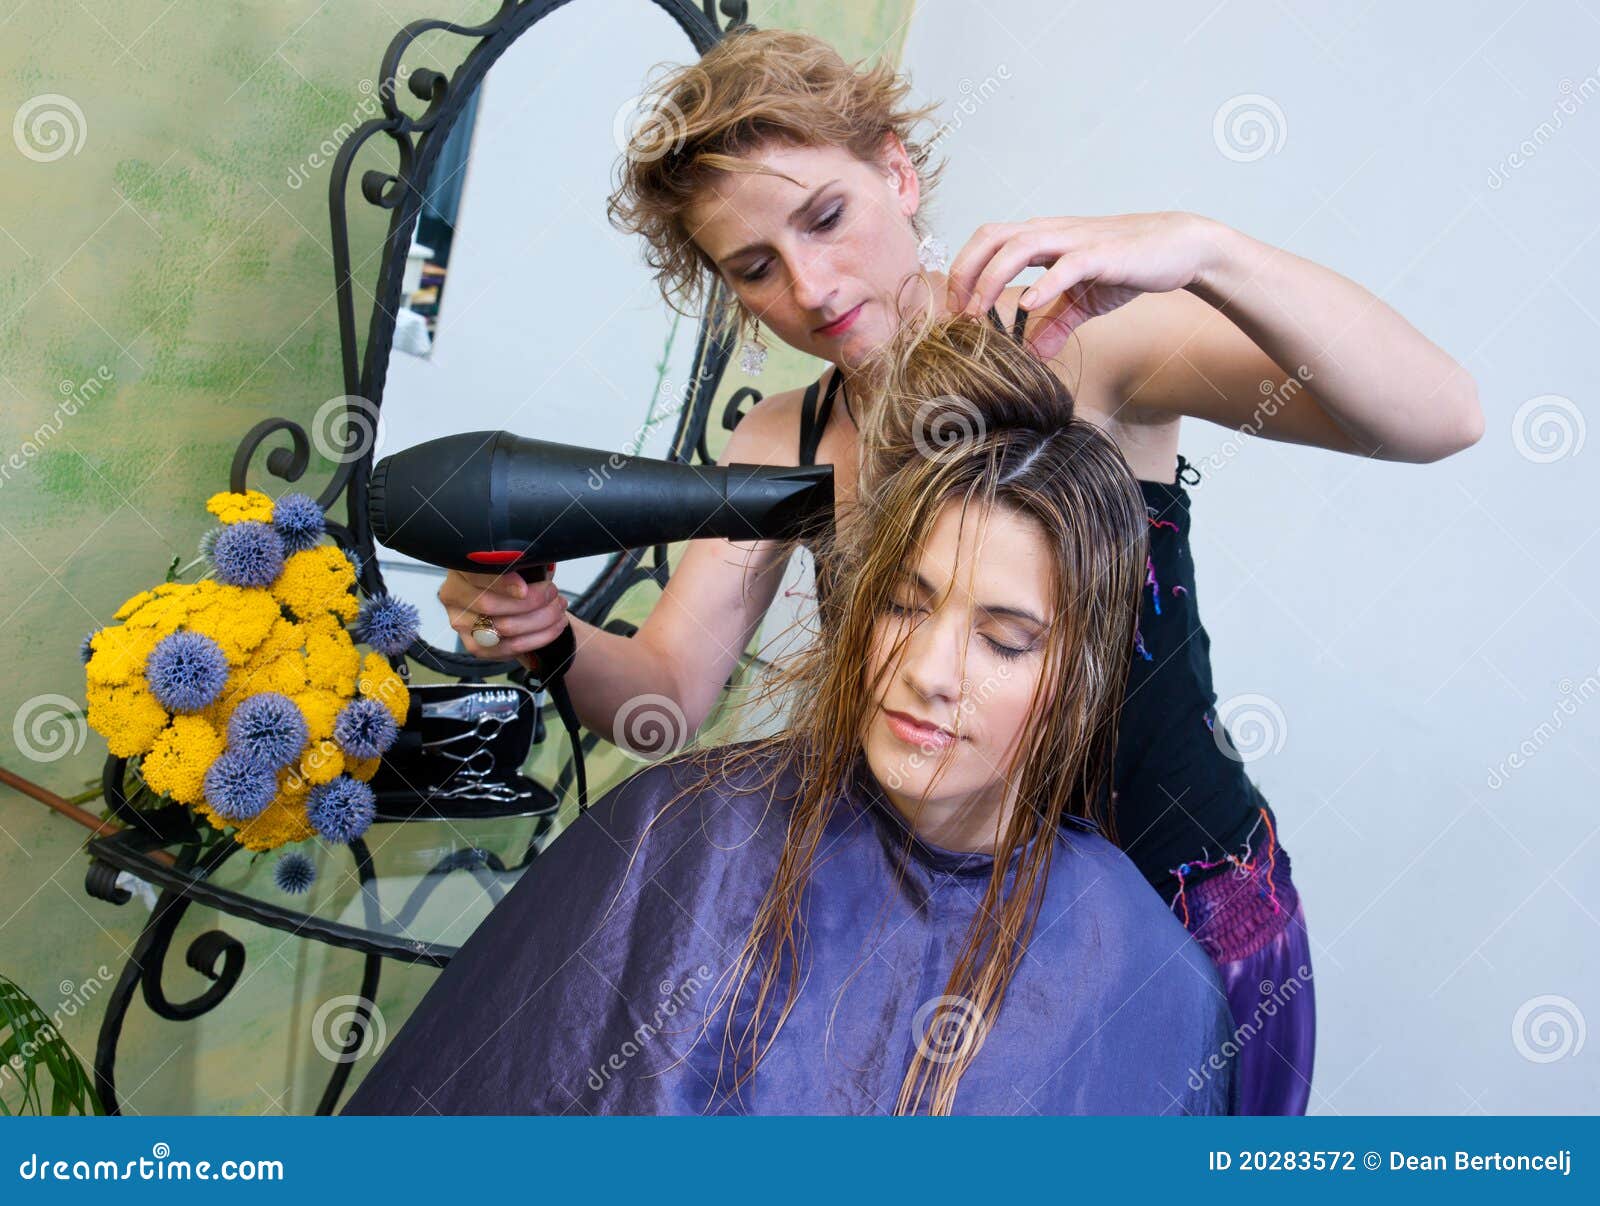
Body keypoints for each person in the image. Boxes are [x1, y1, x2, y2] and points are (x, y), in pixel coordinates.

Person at [436, 29, 1483, 1113]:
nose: (808, 284)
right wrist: (547, 637)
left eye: (825, 218)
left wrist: (1210, 251)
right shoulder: (785, 440)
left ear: (896, 170)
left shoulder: (1087, 342)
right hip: (942, 941)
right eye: (753, 268)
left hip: (1183, 908)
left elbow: (1437, 416)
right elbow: (668, 697)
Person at [342, 312, 1237, 1116]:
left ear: (1081, 673)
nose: (928, 672)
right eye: (902, 603)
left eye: (1005, 641)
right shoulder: (683, 837)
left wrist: (1194, 246)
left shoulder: (1145, 981)